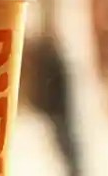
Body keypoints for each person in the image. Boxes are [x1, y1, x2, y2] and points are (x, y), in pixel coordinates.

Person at [31, 36, 81, 176]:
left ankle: (73, 170)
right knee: (64, 141)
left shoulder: (52, 62)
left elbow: (50, 89)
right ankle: (73, 169)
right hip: (59, 109)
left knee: (65, 141)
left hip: (58, 110)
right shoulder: (56, 62)